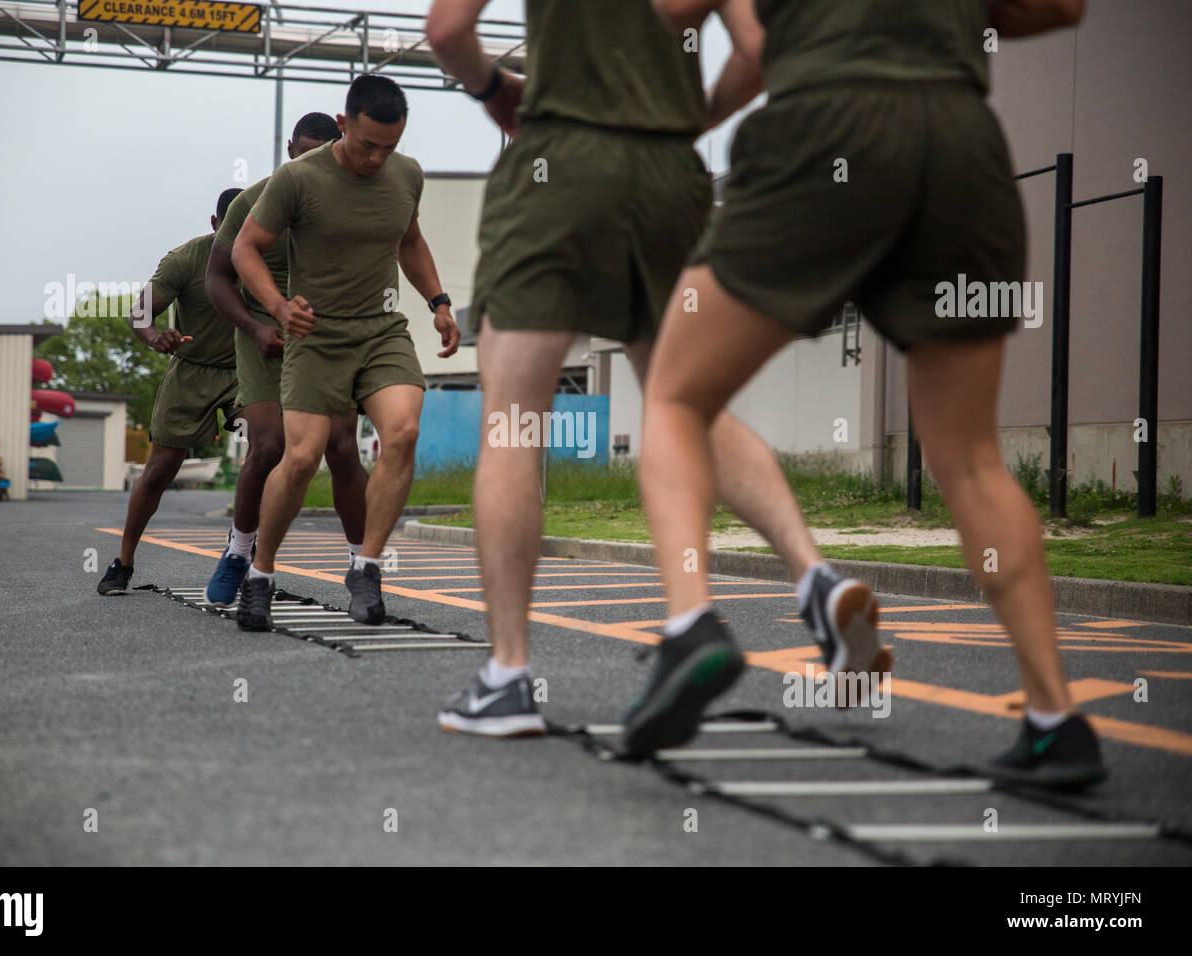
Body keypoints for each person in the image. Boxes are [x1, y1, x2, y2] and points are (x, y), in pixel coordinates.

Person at [640, 0, 1101, 787]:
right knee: (973, 459)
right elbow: (1061, 7)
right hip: (963, 140)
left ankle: (690, 625)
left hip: (828, 120)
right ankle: (1056, 720)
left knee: (678, 397)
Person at [426, 0, 887, 741]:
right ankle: (815, 579)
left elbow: (447, 30)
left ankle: (508, 676)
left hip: (559, 161)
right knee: (688, 403)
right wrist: (682, 123)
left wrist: (490, 89)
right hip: (672, 178)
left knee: (513, 421)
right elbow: (756, 50)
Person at [230, 74, 461, 630]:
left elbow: (409, 239)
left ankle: (366, 566)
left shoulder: (406, 175)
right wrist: (281, 308)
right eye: (367, 145)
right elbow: (245, 249)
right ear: (343, 125)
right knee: (303, 457)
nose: (377, 158)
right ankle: (259, 574)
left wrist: (439, 301)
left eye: (390, 146)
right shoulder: (297, 180)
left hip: (381, 330)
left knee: (403, 432)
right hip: (318, 336)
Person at [203, 112, 372, 605]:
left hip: (326, 340)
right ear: (292, 152)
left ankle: (362, 564)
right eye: (306, 152)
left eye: (326, 151)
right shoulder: (257, 200)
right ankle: (239, 550)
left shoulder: (353, 198)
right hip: (264, 336)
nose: (315, 160)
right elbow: (218, 277)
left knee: (342, 446)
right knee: (270, 443)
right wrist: (255, 326)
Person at [98, 188, 244, 596]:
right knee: (160, 469)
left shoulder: (269, 255)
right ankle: (123, 561)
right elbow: (141, 313)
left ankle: (243, 553)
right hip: (193, 369)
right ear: (215, 225)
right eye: (231, 228)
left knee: (268, 445)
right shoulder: (187, 258)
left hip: (247, 370)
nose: (240, 236)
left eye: (248, 225)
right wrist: (155, 337)